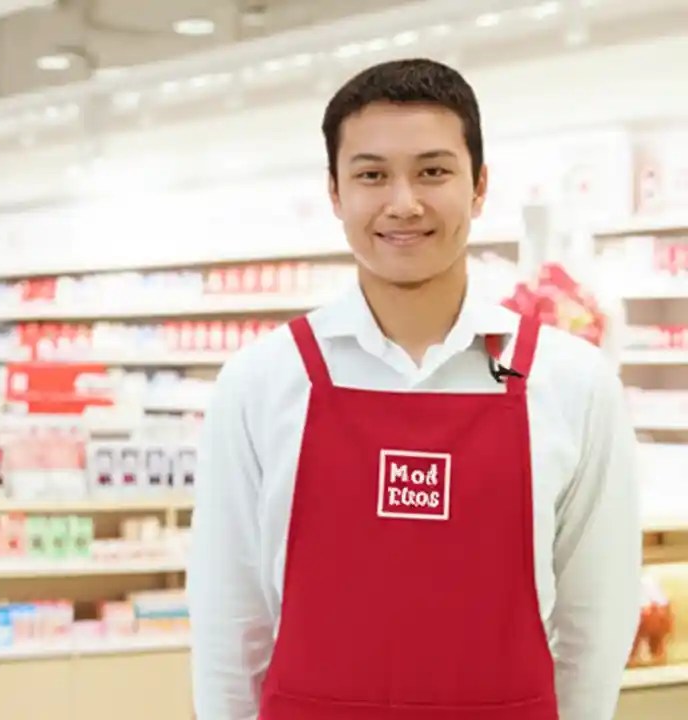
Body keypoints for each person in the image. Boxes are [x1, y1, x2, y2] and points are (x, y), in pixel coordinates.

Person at [188, 58, 641, 720]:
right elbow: (231, 628)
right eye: (372, 175)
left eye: (433, 170)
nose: (403, 203)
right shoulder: (262, 382)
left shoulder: (572, 383)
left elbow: (595, 629)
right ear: (336, 193)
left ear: (480, 187)